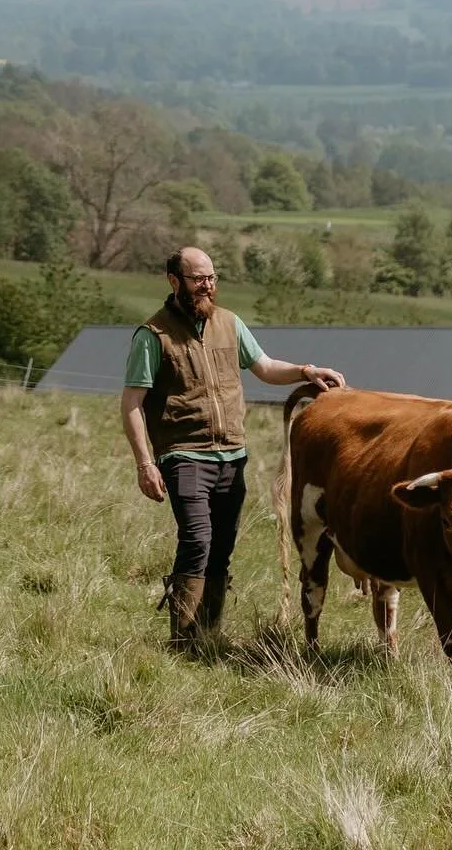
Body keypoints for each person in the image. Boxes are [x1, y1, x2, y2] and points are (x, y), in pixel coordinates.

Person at [121, 244, 346, 651]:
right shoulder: (152, 335)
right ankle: (182, 639)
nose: (207, 286)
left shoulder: (230, 323)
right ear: (174, 282)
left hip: (232, 455)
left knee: (222, 547)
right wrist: (144, 464)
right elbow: (132, 405)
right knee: (198, 539)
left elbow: (264, 367)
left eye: (211, 278)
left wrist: (306, 371)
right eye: (197, 279)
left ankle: (207, 634)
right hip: (183, 453)